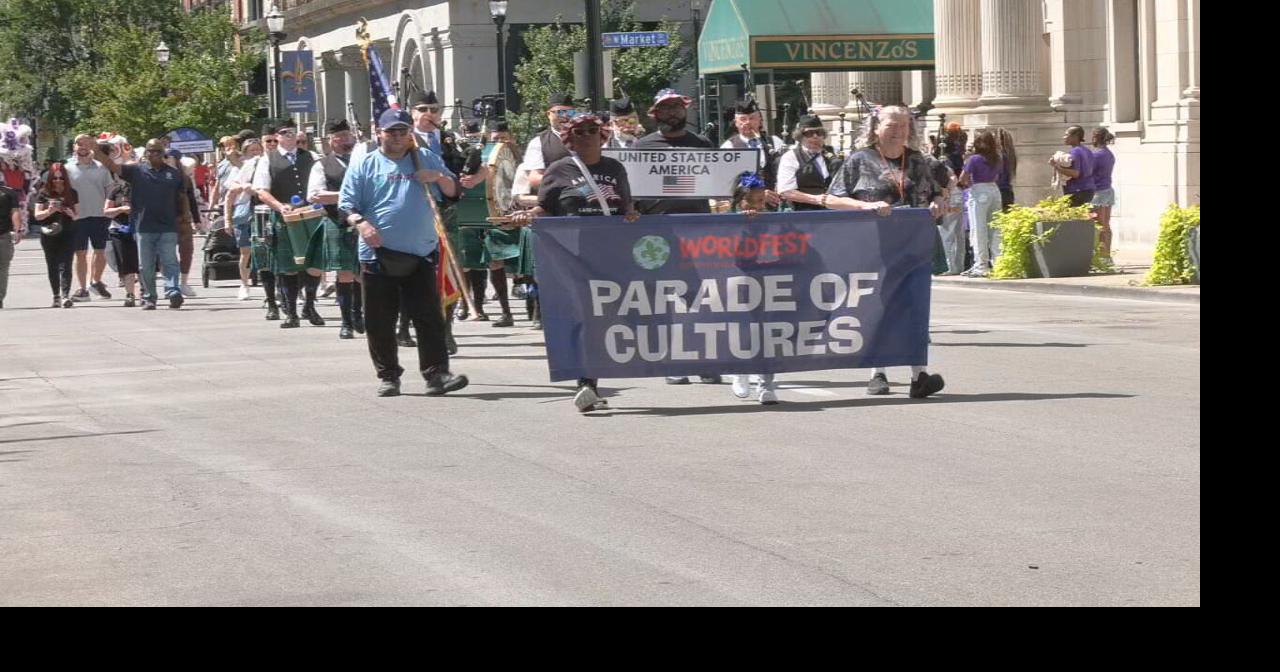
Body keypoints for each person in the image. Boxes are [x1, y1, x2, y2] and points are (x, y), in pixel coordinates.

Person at [509, 113, 639, 412]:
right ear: (570, 138)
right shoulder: (558, 170)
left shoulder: (615, 168)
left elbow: (627, 206)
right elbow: (544, 207)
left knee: (605, 318)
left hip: (609, 255)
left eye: (593, 130)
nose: (587, 136)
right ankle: (586, 382)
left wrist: (632, 214)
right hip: (571, 255)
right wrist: (525, 215)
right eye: (579, 132)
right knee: (582, 316)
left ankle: (591, 379)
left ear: (603, 135)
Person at [339, 108, 468, 397]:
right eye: (391, 132)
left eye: (402, 131)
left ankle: (437, 375)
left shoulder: (426, 158)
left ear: (410, 132)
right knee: (380, 319)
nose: (397, 137)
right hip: (378, 253)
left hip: (421, 251)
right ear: (379, 133)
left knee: (429, 318)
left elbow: (453, 192)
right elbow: (347, 205)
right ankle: (388, 375)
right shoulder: (366, 164)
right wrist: (361, 224)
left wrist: (435, 176)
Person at [824, 105, 946, 399]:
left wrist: (938, 203)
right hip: (874, 246)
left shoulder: (918, 161)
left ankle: (919, 375)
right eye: (891, 126)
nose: (898, 132)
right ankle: (877, 372)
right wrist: (865, 206)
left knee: (915, 309)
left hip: (914, 246)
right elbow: (831, 199)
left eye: (903, 127)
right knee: (880, 307)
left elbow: (937, 192)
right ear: (876, 128)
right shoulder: (859, 160)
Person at [634, 88, 723, 386]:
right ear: (655, 114)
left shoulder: (703, 145)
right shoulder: (641, 148)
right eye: (665, 108)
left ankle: (704, 359)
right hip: (656, 235)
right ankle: (673, 360)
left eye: (676, 107)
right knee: (666, 300)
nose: (672, 113)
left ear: (686, 110)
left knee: (700, 300)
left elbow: (720, 184)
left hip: (698, 232)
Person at [96, 140, 191, 310]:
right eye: (150, 151)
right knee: (145, 265)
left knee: (169, 261)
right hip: (143, 226)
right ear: (145, 153)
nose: (153, 154)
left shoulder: (174, 174)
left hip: (168, 225)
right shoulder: (136, 171)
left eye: (157, 151)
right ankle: (149, 297)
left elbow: (182, 197)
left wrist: (185, 218)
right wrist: (96, 150)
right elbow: (112, 165)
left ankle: (173, 292)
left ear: (164, 154)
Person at [253, 118, 321, 328]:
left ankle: (309, 305)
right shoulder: (267, 160)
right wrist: (280, 206)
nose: (290, 136)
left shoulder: (312, 157)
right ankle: (291, 312)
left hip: (310, 215)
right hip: (284, 218)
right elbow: (261, 190)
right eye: (285, 133)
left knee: (314, 265)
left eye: (293, 132)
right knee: (288, 266)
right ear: (277, 137)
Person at [307, 119, 364, 340]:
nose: (344, 140)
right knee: (345, 273)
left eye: (347, 135)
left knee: (362, 273)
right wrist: (345, 196)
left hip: (365, 221)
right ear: (330, 141)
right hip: (337, 221)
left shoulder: (364, 160)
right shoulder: (322, 165)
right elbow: (315, 195)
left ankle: (358, 314)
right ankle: (346, 321)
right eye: (339, 137)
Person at [726, 172, 779, 406]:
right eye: (753, 201)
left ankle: (766, 382)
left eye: (762, 201)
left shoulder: (773, 221)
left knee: (768, 331)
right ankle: (740, 371)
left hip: (767, 280)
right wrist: (741, 224)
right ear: (740, 202)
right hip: (737, 281)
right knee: (742, 329)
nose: (758, 206)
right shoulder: (725, 221)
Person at [65, 134, 116, 302]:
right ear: (74, 147)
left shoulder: (101, 167)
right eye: (79, 143)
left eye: (86, 143)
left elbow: (110, 190)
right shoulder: (67, 168)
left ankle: (96, 281)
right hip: (77, 217)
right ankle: (82, 288)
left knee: (100, 251)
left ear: (92, 146)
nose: (83, 146)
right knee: (80, 253)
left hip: (99, 215)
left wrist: (111, 207)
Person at [721, 98, 785, 203]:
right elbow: (726, 182)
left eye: (752, 118)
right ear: (736, 123)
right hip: (744, 205)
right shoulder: (729, 147)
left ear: (760, 120)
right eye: (743, 119)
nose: (747, 122)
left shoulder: (775, 142)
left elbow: (784, 172)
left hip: (774, 203)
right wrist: (758, 194)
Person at [32, 162, 79, 308]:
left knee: (66, 264)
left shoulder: (72, 193)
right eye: (55, 178)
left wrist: (71, 213)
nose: (58, 181)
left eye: (61, 178)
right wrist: (49, 211)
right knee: (52, 264)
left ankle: (65, 295)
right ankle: (56, 295)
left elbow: (78, 215)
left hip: (68, 231)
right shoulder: (44, 193)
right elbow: (37, 215)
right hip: (49, 233)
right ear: (50, 178)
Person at [958, 129, 1004, 277]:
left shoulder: (974, 159)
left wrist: (965, 184)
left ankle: (981, 265)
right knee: (996, 228)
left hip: (979, 190)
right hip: (994, 190)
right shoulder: (997, 157)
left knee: (979, 229)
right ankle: (999, 262)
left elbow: (963, 178)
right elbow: (997, 175)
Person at [776, 115, 838, 210]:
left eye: (819, 132)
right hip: (802, 213)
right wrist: (817, 199)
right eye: (809, 133)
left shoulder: (832, 155)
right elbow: (786, 191)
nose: (815, 136)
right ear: (800, 136)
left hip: (833, 211)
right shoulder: (790, 157)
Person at [1090, 126, 1117, 263]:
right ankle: (1106, 255)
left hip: (1097, 192)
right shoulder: (1109, 154)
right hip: (1107, 190)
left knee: (1098, 225)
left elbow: (1088, 172)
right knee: (1106, 224)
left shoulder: (1096, 155)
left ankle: (1101, 255)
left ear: (1096, 137)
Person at [1053, 125, 1095, 207]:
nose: (1064, 137)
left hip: (1077, 191)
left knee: (1074, 218)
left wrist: (1056, 166)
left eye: (1066, 135)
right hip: (1088, 189)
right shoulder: (1087, 150)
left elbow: (1075, 173)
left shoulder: (1076, 151)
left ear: (1075, 136)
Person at [0, 181, 24, 309]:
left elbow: (15, 212)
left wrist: (18, 229)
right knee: (3, 268)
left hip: (4, 235)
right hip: (3, 236)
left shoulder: (9, 193)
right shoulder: (10, 192)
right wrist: (18, 230)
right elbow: (15, 212)